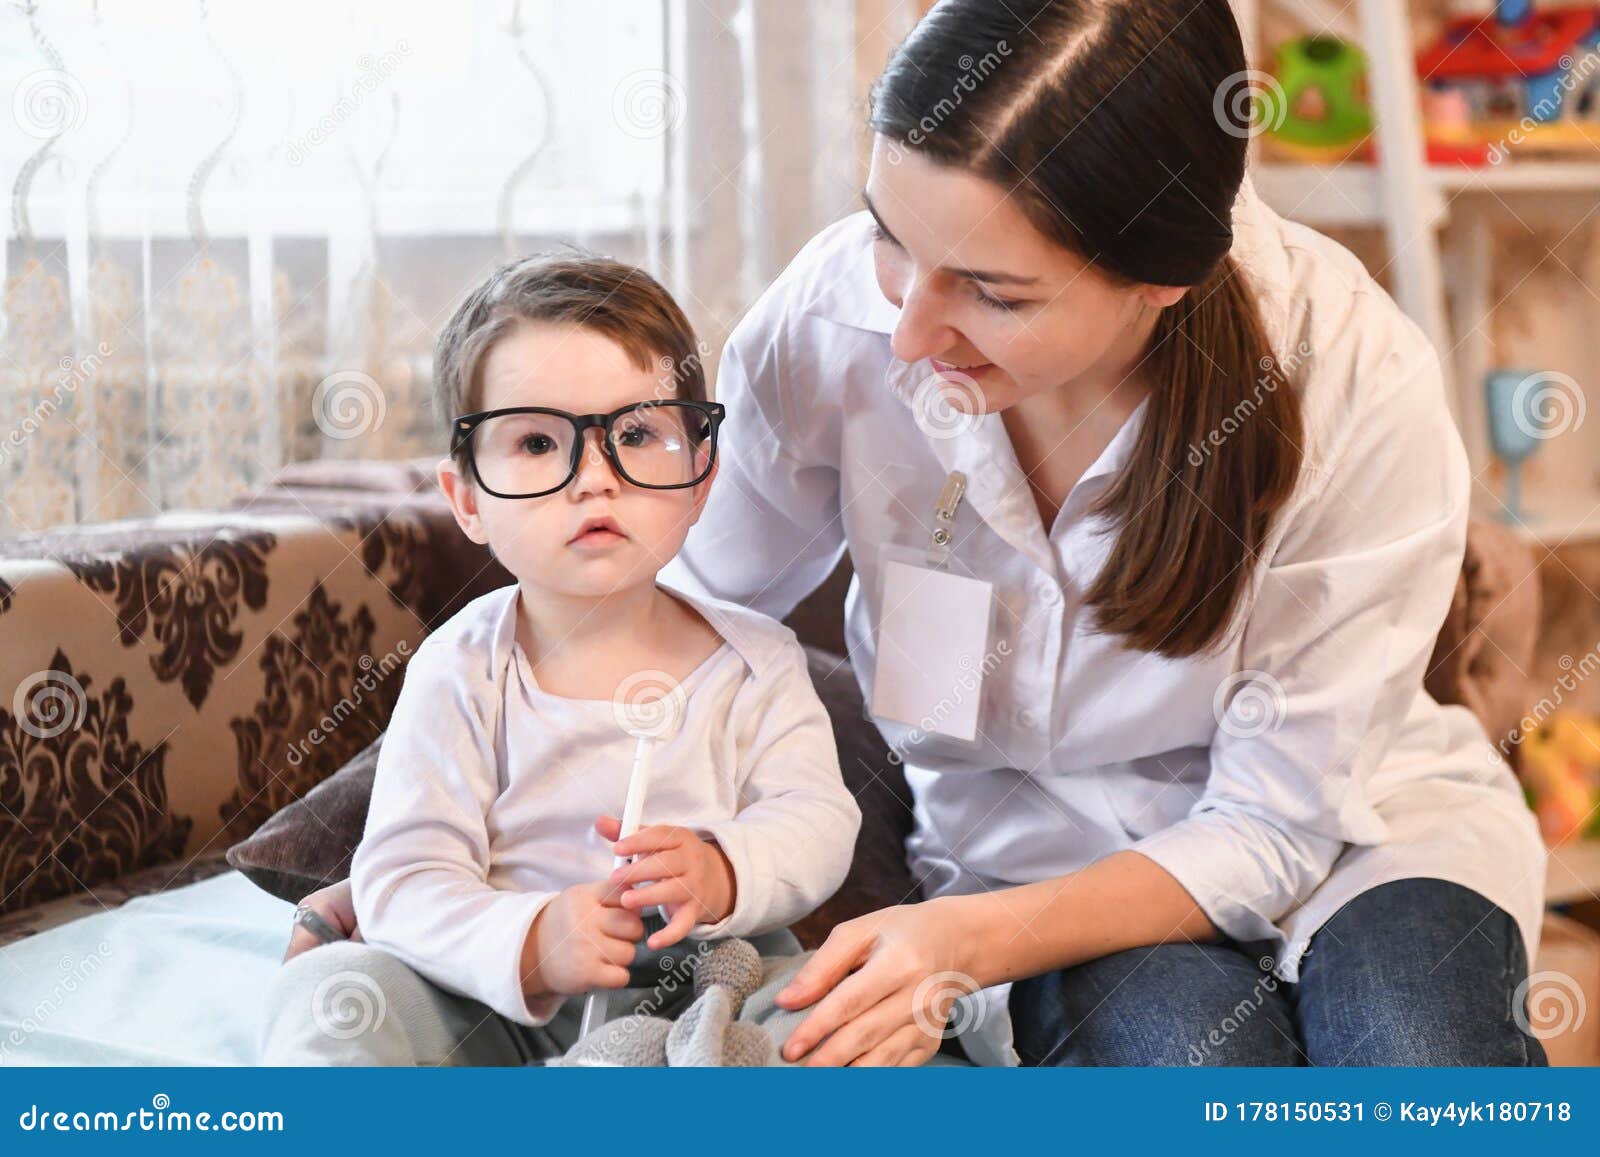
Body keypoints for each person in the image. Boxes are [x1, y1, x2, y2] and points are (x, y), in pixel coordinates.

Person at [289, 0, 1548, 1067]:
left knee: (1415, 1040)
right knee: (1185, 1057)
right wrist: (411, 869)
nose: (905, 331)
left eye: (993, 291)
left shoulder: (1348, 378)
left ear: (1161, 278)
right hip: (1033, 876)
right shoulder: (828, 329)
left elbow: (1277, 825)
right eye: (892, 237)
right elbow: (654, 617)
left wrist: (952, 945)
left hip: (1358, 833)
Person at [259, 254, 860, 1065]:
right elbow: (402, 880)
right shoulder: (461, 669)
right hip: (491, 1000)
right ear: (467, 496)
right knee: (336, 995)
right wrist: (535, 941)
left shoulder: (757, 663)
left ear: (700, 475)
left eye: (638, 434)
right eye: (540, 441)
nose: (595, 478)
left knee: (841, 1019)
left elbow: (819, 822)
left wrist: (724, 867)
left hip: (709, 991)